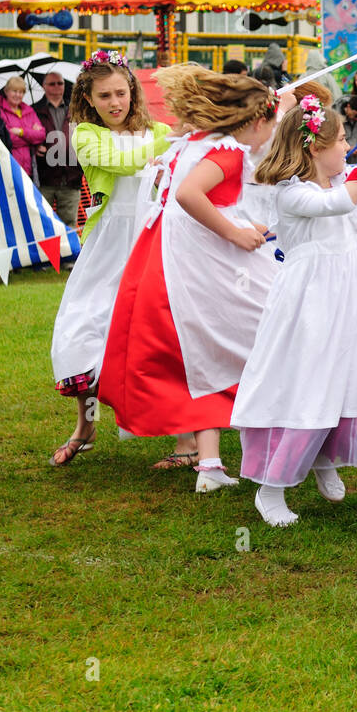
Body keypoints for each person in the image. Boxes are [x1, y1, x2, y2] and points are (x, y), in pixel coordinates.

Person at [233, 91, 357, 526]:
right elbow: (342, 203)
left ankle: (324, 457)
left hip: (344, 296)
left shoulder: (338, 179)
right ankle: (272, 488)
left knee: (342, 376)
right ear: (314, 149)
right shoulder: (290, 193)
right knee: (308, 381)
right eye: (341, 140)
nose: (347, 146)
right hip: (309, 301)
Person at [96, 66, 281, 494]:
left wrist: (247, 224)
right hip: (199, 269)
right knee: (266, 335)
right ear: (256, 121)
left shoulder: (194, 142)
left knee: (204, 361)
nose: (269, 138)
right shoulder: (229, 151)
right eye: (270, 127)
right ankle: (285, 445)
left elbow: (202, 199)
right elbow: (189, 195)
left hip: (167, 261)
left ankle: (211, 465)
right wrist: (236, 233)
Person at [48, 50, 172, 468]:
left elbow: (180, 149)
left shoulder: (159, 130)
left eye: (121, 93)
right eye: (105, 96)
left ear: (133, 93)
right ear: (89, 98)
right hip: (108, 243)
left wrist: (180, 138)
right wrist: (170, 143)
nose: (115, 103)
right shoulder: (84, 134)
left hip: (152, 239)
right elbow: (122, 161)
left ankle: (190, 440)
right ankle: (86, 426)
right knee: (82, 326)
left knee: (162, 331)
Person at [32, 71, 82, 226]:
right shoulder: (34, 110)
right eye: (52, 83)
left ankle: (69, 252)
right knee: (42, 224)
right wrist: (34, 148)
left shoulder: (75, 110)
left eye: (60, 83)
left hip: (71, 178)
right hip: (44, 179)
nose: (56, 87)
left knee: (69, 225)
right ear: (44, 86)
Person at [0, 75, 46, 183]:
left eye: (21, 92)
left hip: (29, 169)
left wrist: (21, 131)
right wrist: (31, 136)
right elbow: (8, 139)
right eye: (14, 91)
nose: (18, 95)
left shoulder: (29, 110)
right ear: (6, 91)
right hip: (9, 167)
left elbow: (41, 135)